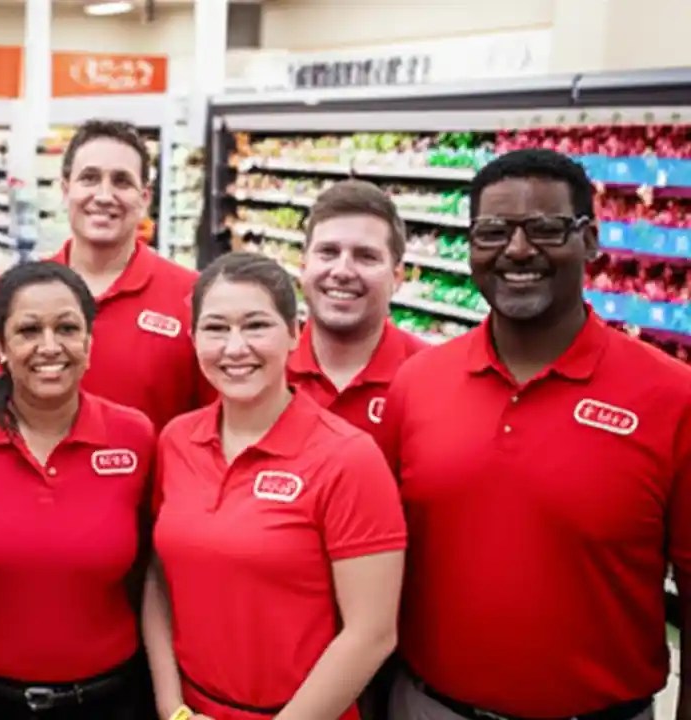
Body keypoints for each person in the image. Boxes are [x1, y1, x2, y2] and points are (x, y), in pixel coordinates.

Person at [376, 148, 691, 720]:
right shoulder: (416, 384)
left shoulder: (672, 398)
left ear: (590, 240)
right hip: (428, 707)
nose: (518, 250)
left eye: (546, 228)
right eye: (493, 232)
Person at [144, 251, 405, 720]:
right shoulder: (176, 440)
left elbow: (372, 634)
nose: (235, 347)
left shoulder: (347, 458)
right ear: (194, 338)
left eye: (256, 325)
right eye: (216, 328)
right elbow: (161, 580)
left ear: (293, 333)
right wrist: (172, 707)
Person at [0, 261, 156, 718]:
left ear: (89, 343)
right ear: (0, 345)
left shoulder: (134, 436)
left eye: (67, 328)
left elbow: (147, 564)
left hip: (108, 701)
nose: (49, 346)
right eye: (28, 330)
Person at [0, 119, 209, 431]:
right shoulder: (10, 294)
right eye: (90, 178)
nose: (104, 195)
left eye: (122, 181)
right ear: (65, 190)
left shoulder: (193, 297)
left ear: (145, 199)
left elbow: (213, 424)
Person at [288, 180, 430, 434]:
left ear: (397, 277)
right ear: (303, 268)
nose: (342, 271)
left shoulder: (432, 378)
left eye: (366, 256)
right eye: (328, 252)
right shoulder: (262, 369)